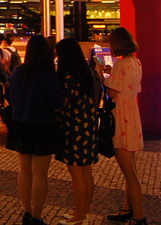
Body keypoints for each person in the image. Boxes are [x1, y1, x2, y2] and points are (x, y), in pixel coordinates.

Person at [6, 35, 63, 225]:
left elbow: (11, 97)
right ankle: (37, 216)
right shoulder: (49, 74)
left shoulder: (18, 71)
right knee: (40, 173)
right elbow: (56, 104)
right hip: (43, 125)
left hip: (20, 123)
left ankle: (27, 211)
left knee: (24, 169)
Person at [100, 27, 147, 225]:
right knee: (131, 169)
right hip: (133, 118)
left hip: (121, 119)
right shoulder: (135, 62)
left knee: (130, 174)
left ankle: (139, 216)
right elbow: (128, 87)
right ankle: (129, 208)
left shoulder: (120, 65)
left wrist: (101, 75)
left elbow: (112, 92)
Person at [55, 38, 99, 225]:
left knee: (76, 173)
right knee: (86, 171)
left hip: (73, 126)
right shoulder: (87, 73)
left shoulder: (68, 76)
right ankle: (83, 211)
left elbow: (63, 103)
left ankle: (79, 216)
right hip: (88, 125)